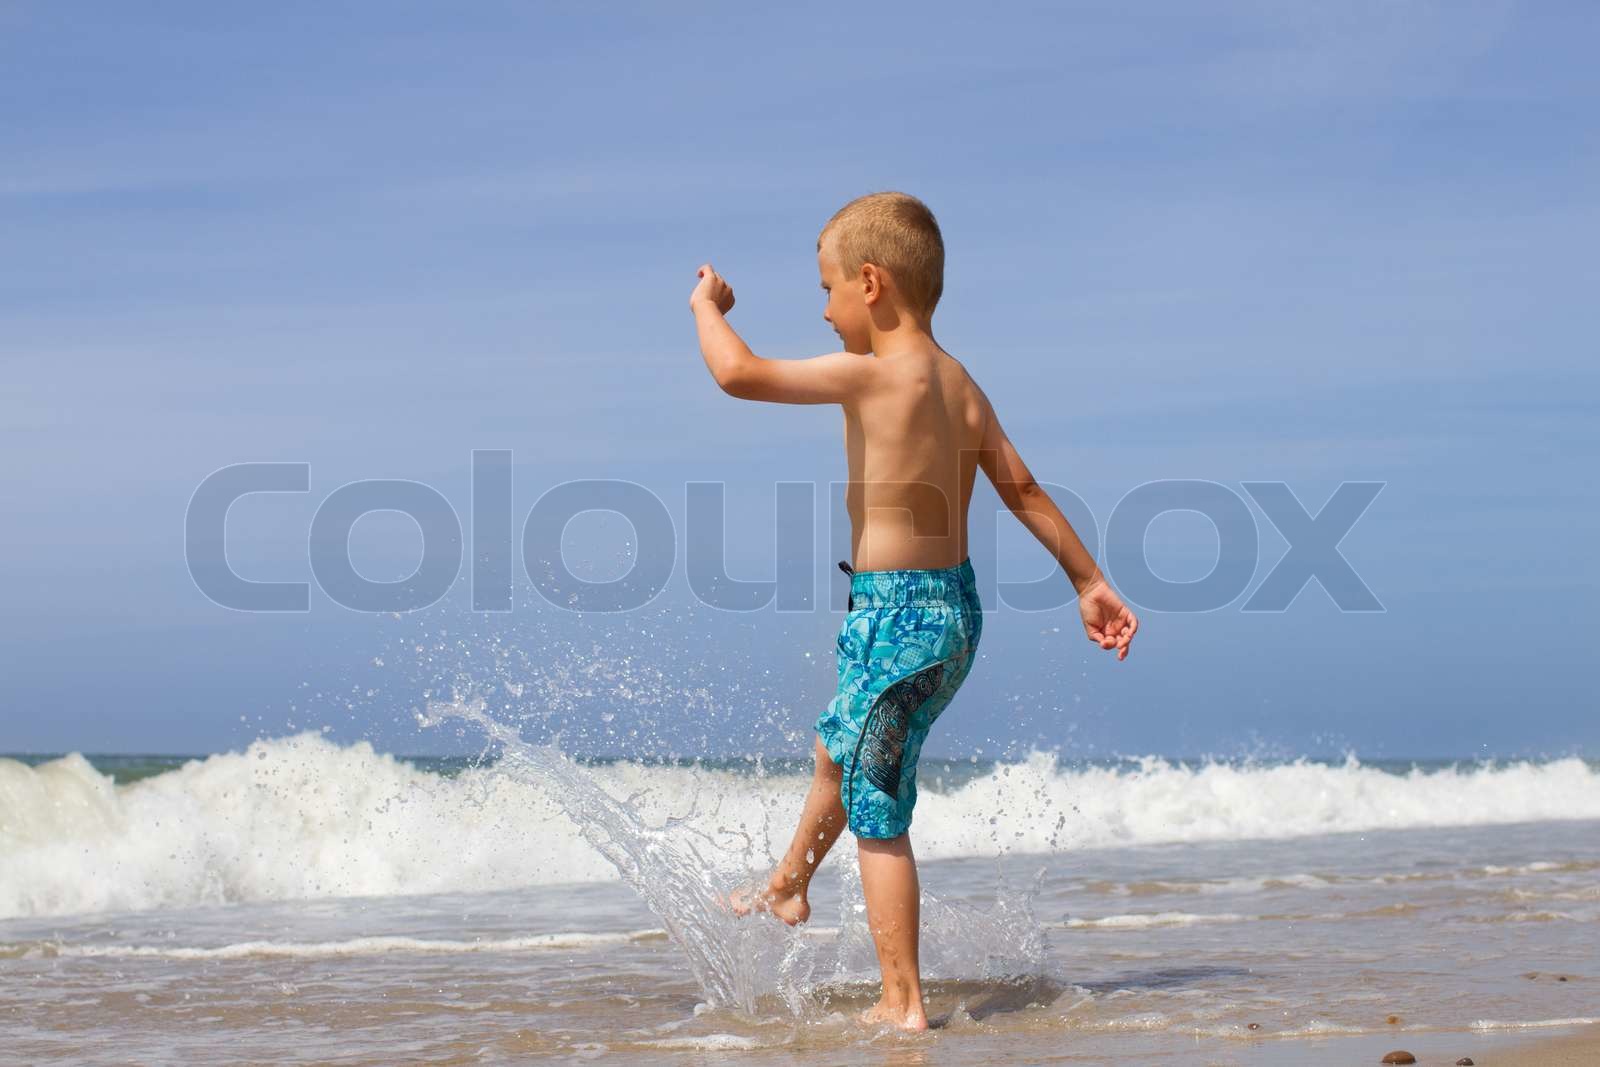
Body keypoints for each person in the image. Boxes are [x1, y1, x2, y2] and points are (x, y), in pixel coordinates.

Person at [688, 191, 1138, 1030]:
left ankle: (903, 1001)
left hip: (897, 621)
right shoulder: (961, 384)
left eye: (825, 290)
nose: (821, 311)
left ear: (870, 283)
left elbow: (737, 373)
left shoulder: (872, 373)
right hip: (946, 613)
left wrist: (704, 307)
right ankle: (789, 883)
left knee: (879, 808)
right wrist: (1087, 580)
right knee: (840, 746)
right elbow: (1023, 489)